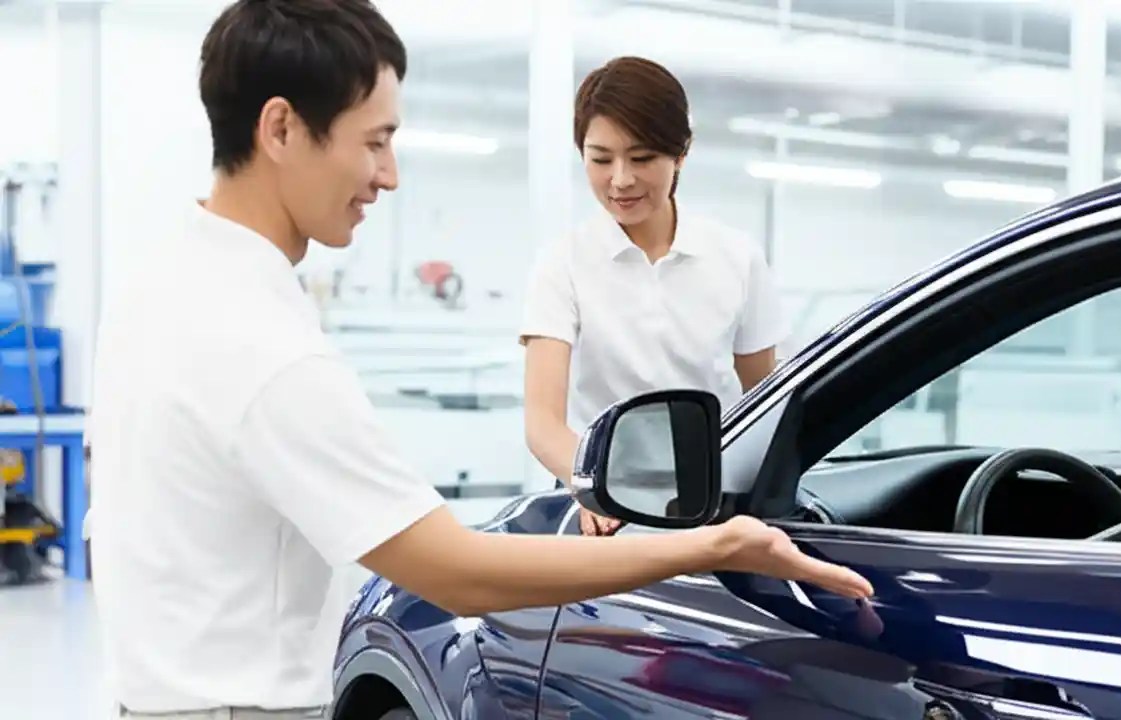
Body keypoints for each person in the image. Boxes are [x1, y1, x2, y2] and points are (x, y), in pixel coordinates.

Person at [87, 2, 872, 718]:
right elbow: (455, 570)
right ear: (282, 128)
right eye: (376, 141)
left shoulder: (153, 290)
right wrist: (716, 544)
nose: (389, 176)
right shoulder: (263, 346)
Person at [520, 56, 788, 535]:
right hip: (603, 510)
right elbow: (542, 424)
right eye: (600, 159)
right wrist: (593, 488)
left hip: (715, 503)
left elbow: (763, 402)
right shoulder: (563, 262)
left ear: (680, 152)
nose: (620, 179)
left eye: (641, 158)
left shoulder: (737, 257)